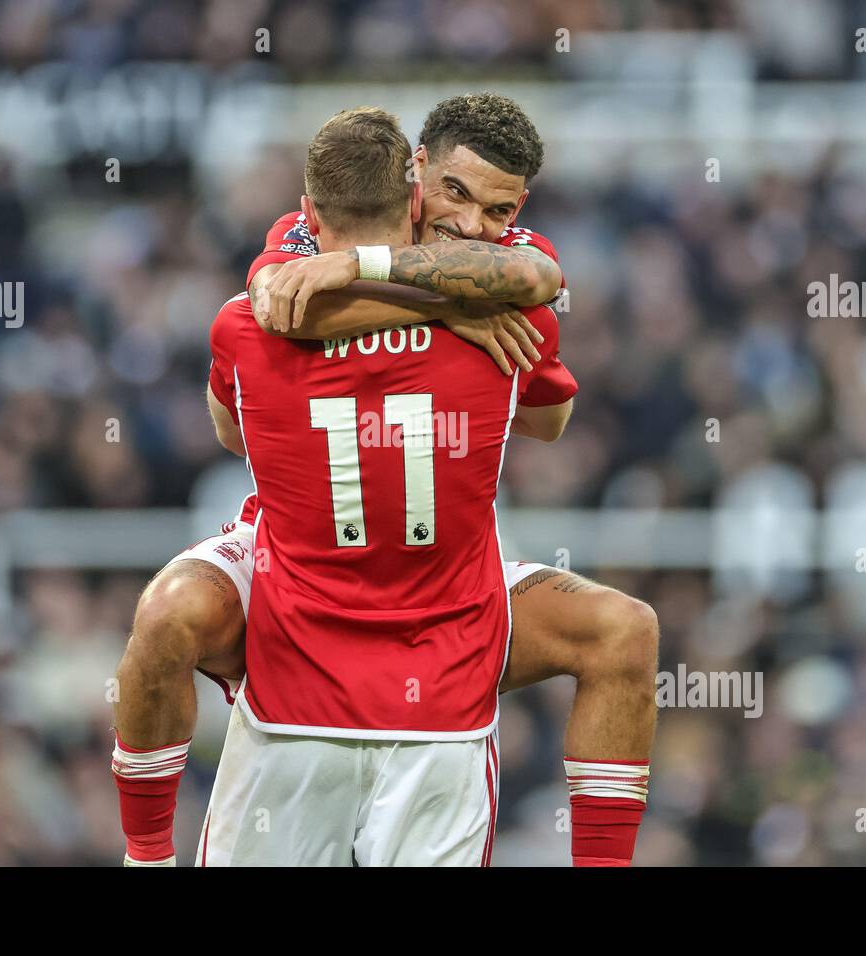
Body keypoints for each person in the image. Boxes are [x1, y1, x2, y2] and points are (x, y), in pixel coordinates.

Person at [113, 94, 656, 868]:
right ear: (416, 175)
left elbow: (529, 274)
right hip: (326, 580)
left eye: (497, 209)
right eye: (456, 195)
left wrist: (367, 274)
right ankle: (143, 858)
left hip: (423, 592)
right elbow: (280, 301)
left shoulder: (330, 269)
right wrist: (447, 308)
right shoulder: (501, 311)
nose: (471, 225)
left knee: (624, 629)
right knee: (169, 614)